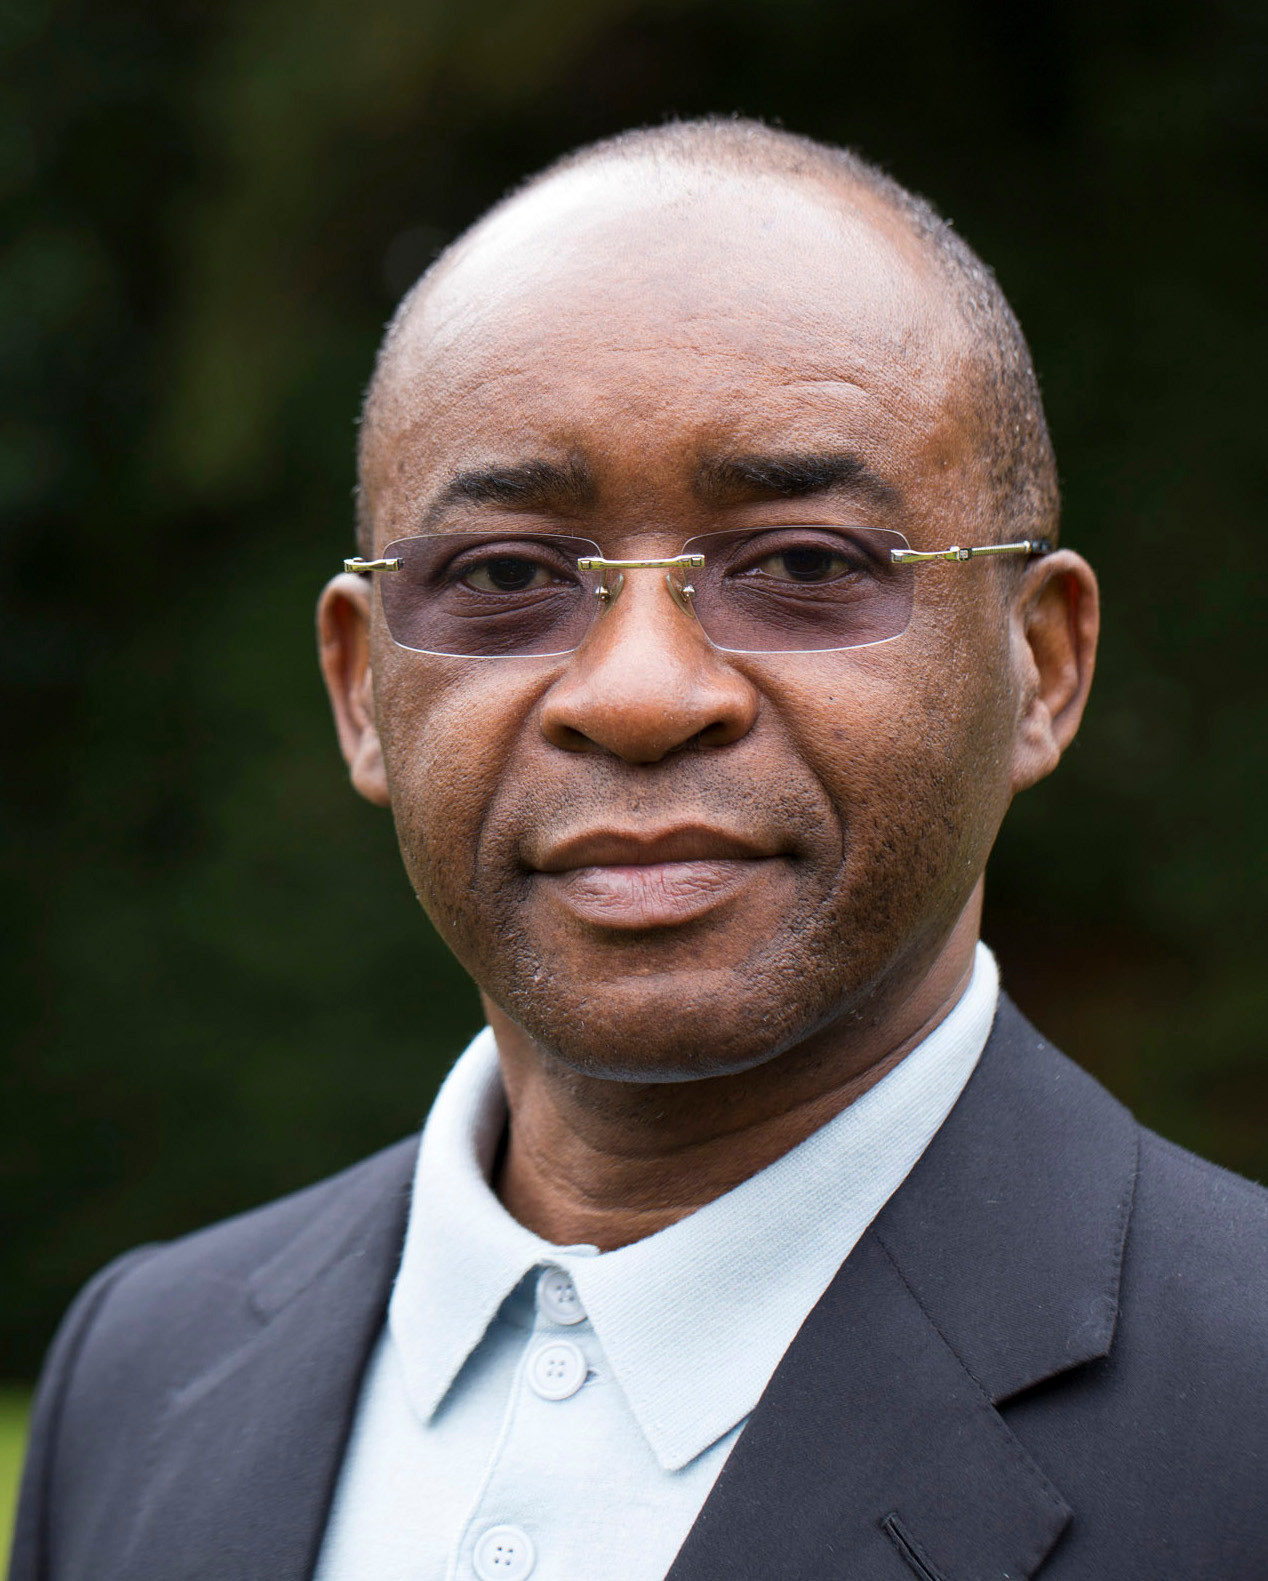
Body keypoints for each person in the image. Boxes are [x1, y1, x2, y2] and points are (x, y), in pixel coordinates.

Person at [11, 118, 1268, 1581]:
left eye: (803, 563)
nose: (639, 693)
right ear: (360, 690)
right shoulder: (141, 1377)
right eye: (505, 573)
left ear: (1040, 665)